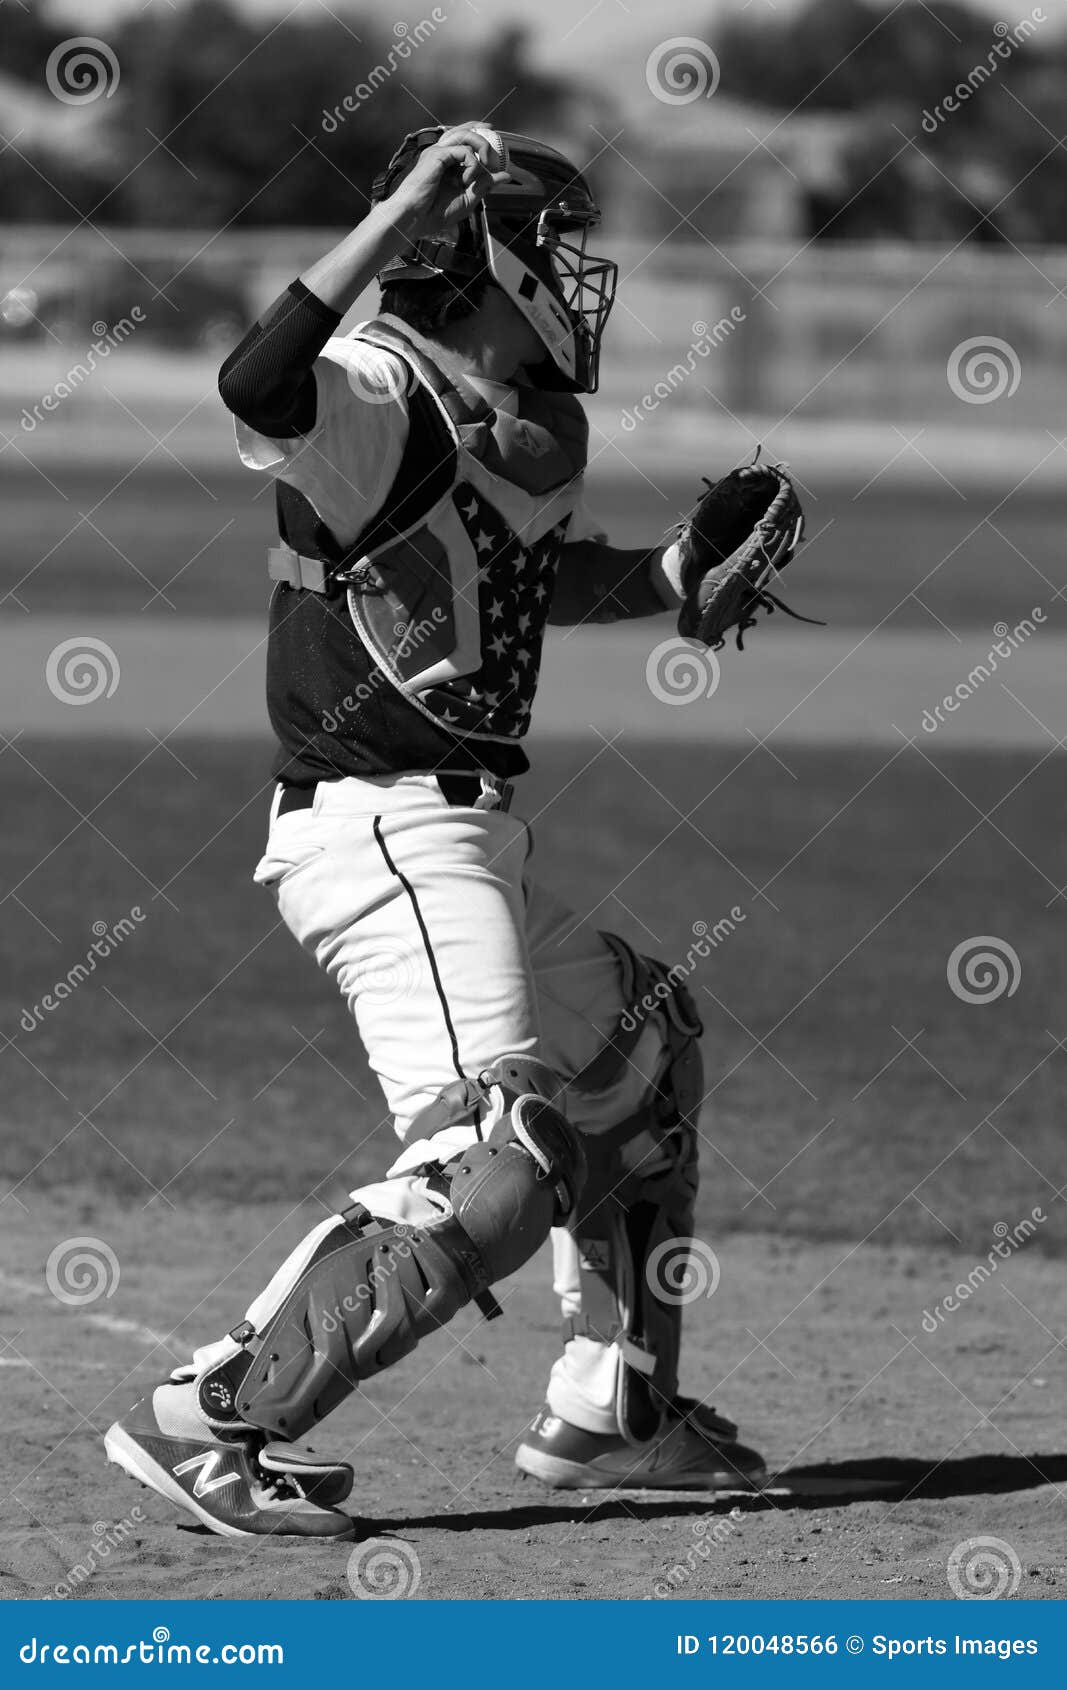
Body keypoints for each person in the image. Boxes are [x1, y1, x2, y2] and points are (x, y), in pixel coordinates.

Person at [104, 124, 766, 1539]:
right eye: (552, 247)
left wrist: (666, 576)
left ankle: (616, 1412)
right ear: (478, 256)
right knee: (498, 1157)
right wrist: (399, 205)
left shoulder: (511, 422)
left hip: (463, 838)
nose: (578, 278)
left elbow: (515, 580)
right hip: (385, 826)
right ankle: (213, 1416)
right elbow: (254, 381)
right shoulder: (375, 393)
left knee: (644, 1038)